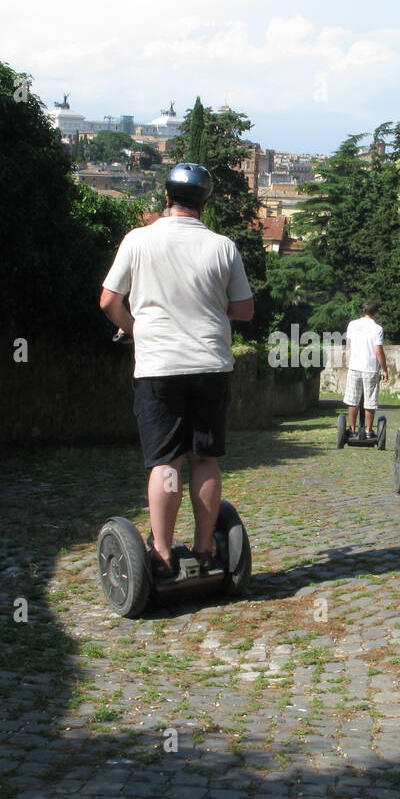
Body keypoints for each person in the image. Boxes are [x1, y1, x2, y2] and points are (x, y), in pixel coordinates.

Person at [99, 162, 254, 576]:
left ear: (166, 199)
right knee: (204, 459)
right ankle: (204, 551)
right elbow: (244, 309)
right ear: (205, 203)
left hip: (158, 366)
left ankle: (163, 552)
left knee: (166, 462)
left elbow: (108, 302)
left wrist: (135, 330)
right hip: (210, 365)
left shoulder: (138, 240)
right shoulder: (223, 246)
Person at [343, 300, 388, 439]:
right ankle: (368, 431)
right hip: (370, 368)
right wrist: (384, 369)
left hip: (354, 366)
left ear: (364, 310)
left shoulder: (352, 324)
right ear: (376, 312)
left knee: (353, 399)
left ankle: (351, 429)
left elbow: (348, 345)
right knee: (370, 401)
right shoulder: (377, 329)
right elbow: (379, 351)